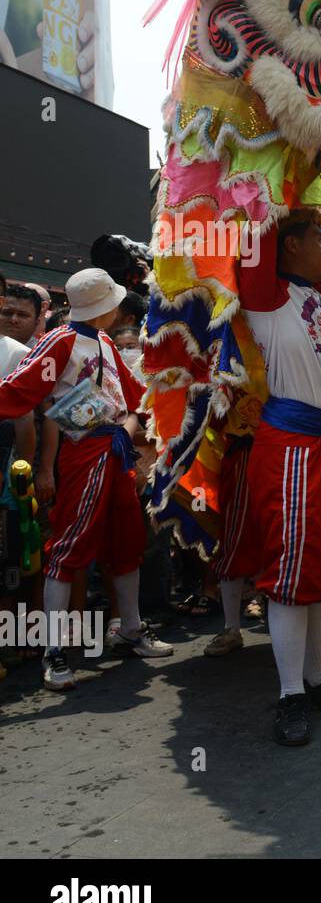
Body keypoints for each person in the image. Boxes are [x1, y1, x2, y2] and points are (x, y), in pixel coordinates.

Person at [239, 168, 321, 746]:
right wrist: (290, 163)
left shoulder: (317, 295)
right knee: (292, 574)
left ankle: (319, 677)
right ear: (289, 245)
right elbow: (258, 232)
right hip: (291, 448)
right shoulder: (264, 293)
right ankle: (290, 691)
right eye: (314, 239)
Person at [0, 268, 172, 691]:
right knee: (70, 544)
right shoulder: (60, 341)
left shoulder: (107, 343)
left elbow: (136, 399)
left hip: (115, 448)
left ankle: (129, 629)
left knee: (127, 538)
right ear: (105, 306)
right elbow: (18, 389)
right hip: (86, 450)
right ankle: (54, 651)